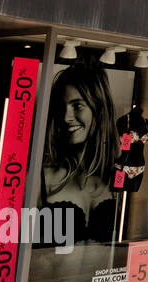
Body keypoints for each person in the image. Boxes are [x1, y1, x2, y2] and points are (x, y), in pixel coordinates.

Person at [40, 62, 119, 244]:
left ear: (99, 109)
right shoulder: (41, 178)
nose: (66, 117)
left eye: (77, 106)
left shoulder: (118, 175)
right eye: (62, 107)